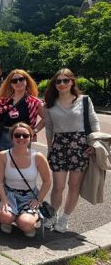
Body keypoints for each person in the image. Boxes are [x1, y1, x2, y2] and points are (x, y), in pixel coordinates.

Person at [43, 69, 100, 233]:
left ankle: (65, 219)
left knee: (74, 185)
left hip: (81, 146)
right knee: (58, 186)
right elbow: (49, 128)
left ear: (72, 82)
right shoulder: (49, 104)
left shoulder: (84, 100)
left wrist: (94, 143)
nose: (61, 84)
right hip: (59, 146)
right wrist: (50, 147)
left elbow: (94, 122)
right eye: (58, 81)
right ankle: (52, 215)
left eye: (65, 81)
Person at [0, 122, 51, 237]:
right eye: (17, 135)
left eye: (25, 135)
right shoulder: (3, 155)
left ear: (31, 137)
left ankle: (24, 221)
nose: (21, 138)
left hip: (29, 196)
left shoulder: (37, 157)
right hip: (8, 194)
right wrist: (4, 199)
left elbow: (47, 181)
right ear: (12, 137)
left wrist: (38, 200)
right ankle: (9, 219)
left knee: (25, 224)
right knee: (4, 216)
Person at [0, 69, 44, 153]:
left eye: (21, 79)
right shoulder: (3, 101)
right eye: (14, 81)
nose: (18, 82)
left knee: (21, 164)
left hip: (22, 138)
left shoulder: (34, 102)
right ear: (10, 84)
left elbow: (45, 118)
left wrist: (34, 131)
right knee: (3, 164)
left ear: (26, 81)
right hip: (3, 137)